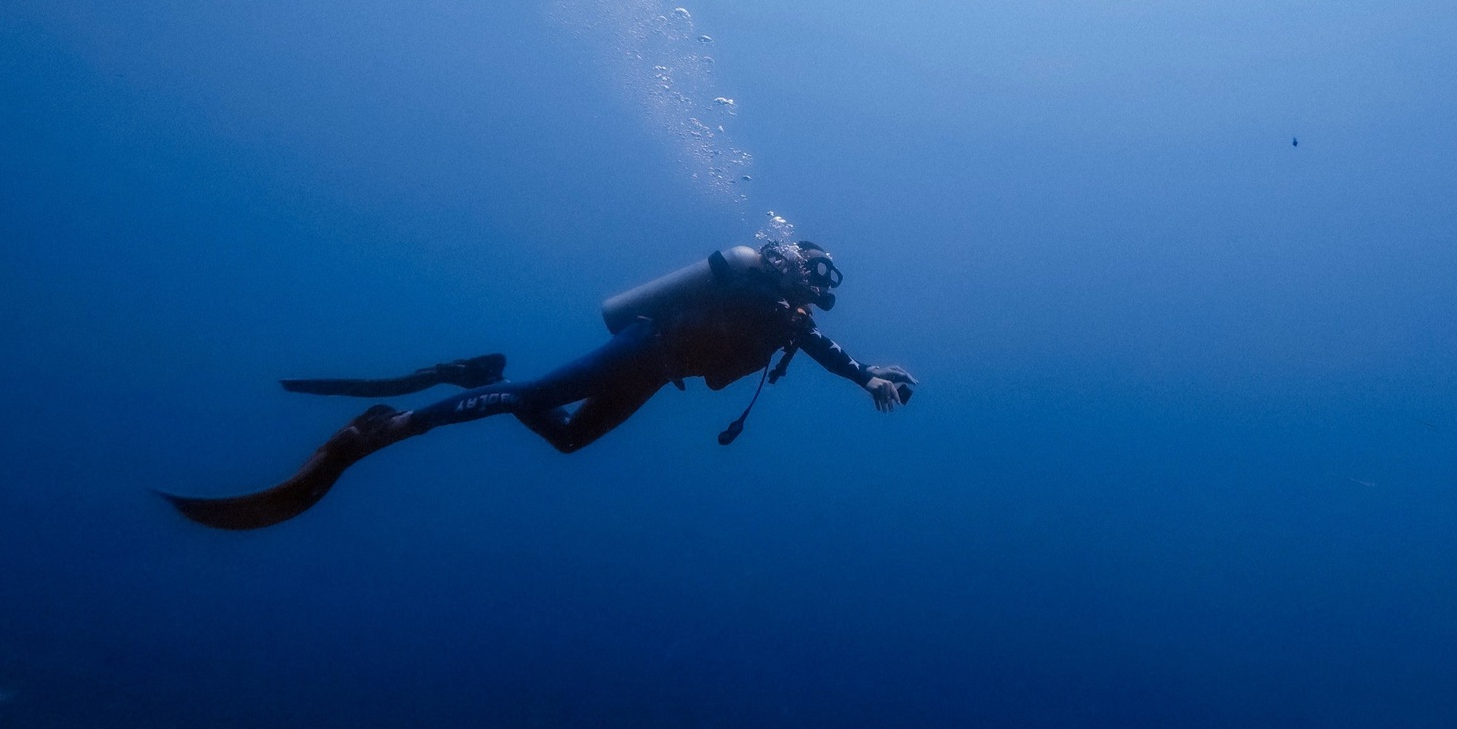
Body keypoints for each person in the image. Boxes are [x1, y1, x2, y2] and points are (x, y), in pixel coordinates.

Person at [161, 241, 916, 530]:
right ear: (791, 265)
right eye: (806, 279)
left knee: (563, 439)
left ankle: (482, 376)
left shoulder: (791, 319)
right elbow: (749, 289)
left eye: (815, 290)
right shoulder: (755, 280)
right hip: (647, 344)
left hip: (660, 375)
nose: (810, 296)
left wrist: (865, 376)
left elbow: (821, 347)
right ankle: (383, 429)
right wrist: (771, 278)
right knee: (533, 401)